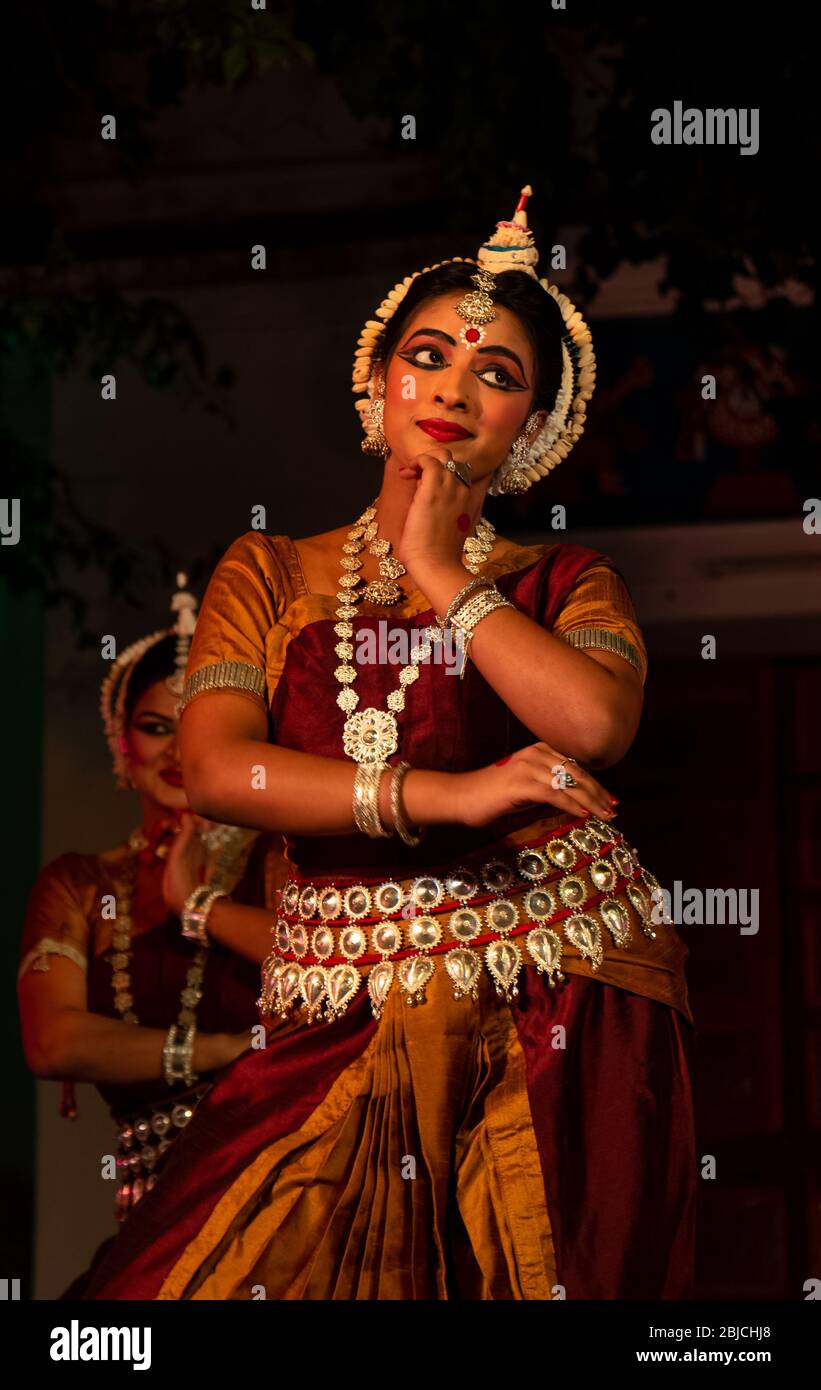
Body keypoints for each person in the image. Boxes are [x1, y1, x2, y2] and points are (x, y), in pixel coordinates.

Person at [81, 186, 695, 1301]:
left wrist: (445, 574)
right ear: (376, 383)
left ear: (536, 428)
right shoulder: (268, 572)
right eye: (429, 355)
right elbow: (221, 767)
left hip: (548, 1000)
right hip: (334, 1006)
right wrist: (447, 797)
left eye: (498, 375)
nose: (456, 387)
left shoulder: (562, 582)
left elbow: (595, 723)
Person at [18, 576, 288, 1291]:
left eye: (200, 727)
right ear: (121, 743)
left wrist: (199, 903)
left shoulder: (287, 854)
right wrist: (224, 1051)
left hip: (287, 1187)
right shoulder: (81, 884)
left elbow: (324, 964)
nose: (176, 753)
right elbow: (53, 1042)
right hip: (152, 1213)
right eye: (156, 726)